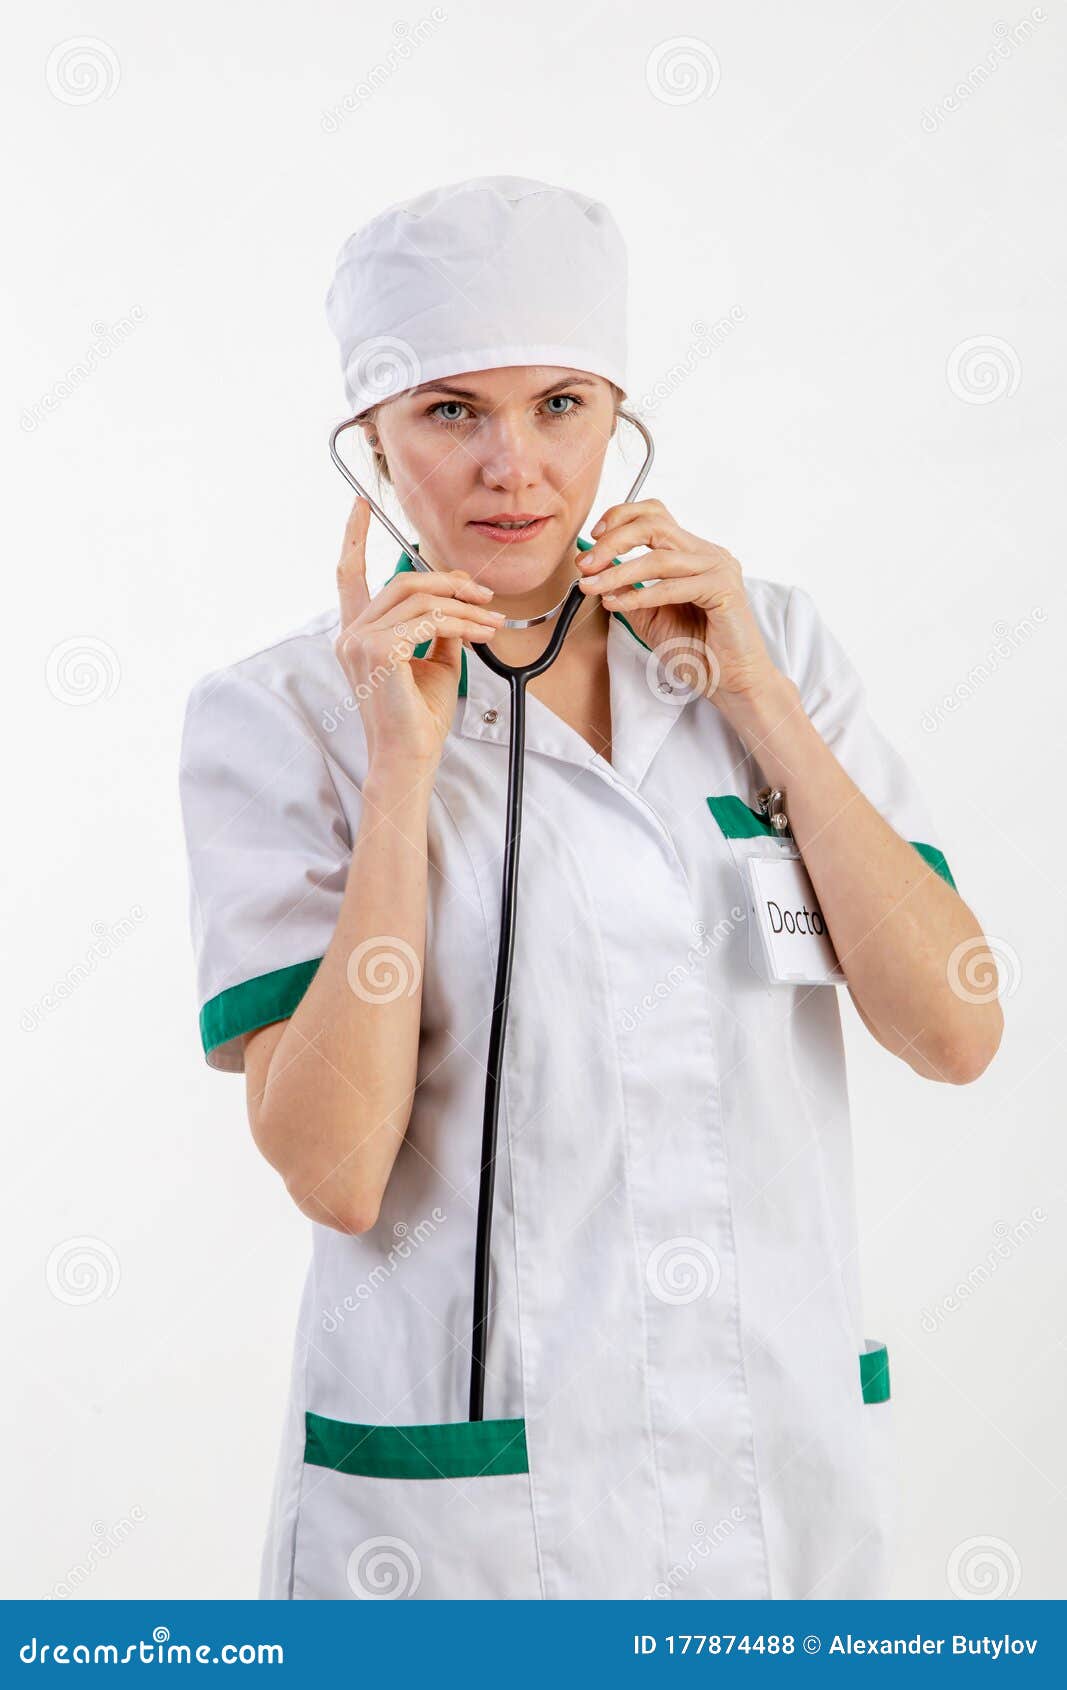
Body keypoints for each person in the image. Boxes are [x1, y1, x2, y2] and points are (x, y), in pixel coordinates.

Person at [178, 175, 1003, 1601]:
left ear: (618, 415)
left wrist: (755, 693)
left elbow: (955, 1030)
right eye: (452, 412)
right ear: (368, 441)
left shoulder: (771, 647)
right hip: (465, 1538)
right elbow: (331, 1164)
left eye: (562, 404)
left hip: (772, 1490)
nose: (518, 469)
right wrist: (398, 780)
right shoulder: (282, 715)